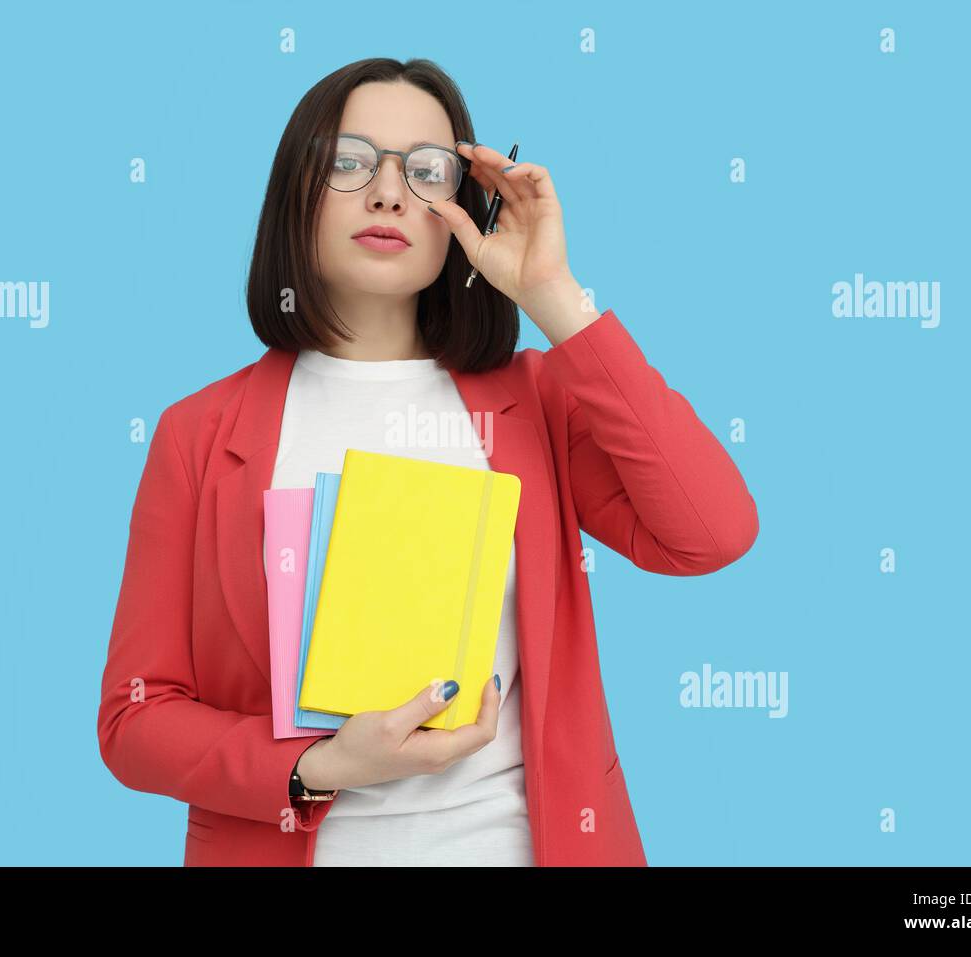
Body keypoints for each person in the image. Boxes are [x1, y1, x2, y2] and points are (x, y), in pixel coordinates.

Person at [97, 57, 759, 867]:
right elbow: (136, 719)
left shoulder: (537, 403)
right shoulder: (198, 433)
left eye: (426, 171)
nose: (387, 193)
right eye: (348, 162)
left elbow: (712, 531)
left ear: (462, 209)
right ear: (293, 191)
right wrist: (317, 767)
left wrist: (553, 296)